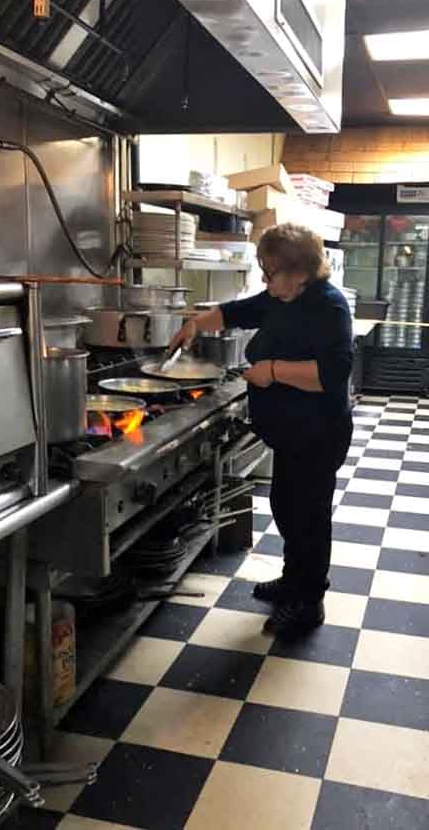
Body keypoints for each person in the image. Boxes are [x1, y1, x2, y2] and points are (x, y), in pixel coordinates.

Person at [169, 223, 353, 636]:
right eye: (265, 273)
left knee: (309, 518)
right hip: (291, 435)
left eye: (272, 273)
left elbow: (333, 373)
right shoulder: (281, 298)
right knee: (288, 509)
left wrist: (272, 371)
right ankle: (294, 581)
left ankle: (309, 602)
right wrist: (196, 324)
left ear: (301, 271)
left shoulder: (329, 305)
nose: (267, 282)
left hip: (318, 434)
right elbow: (237, 311)